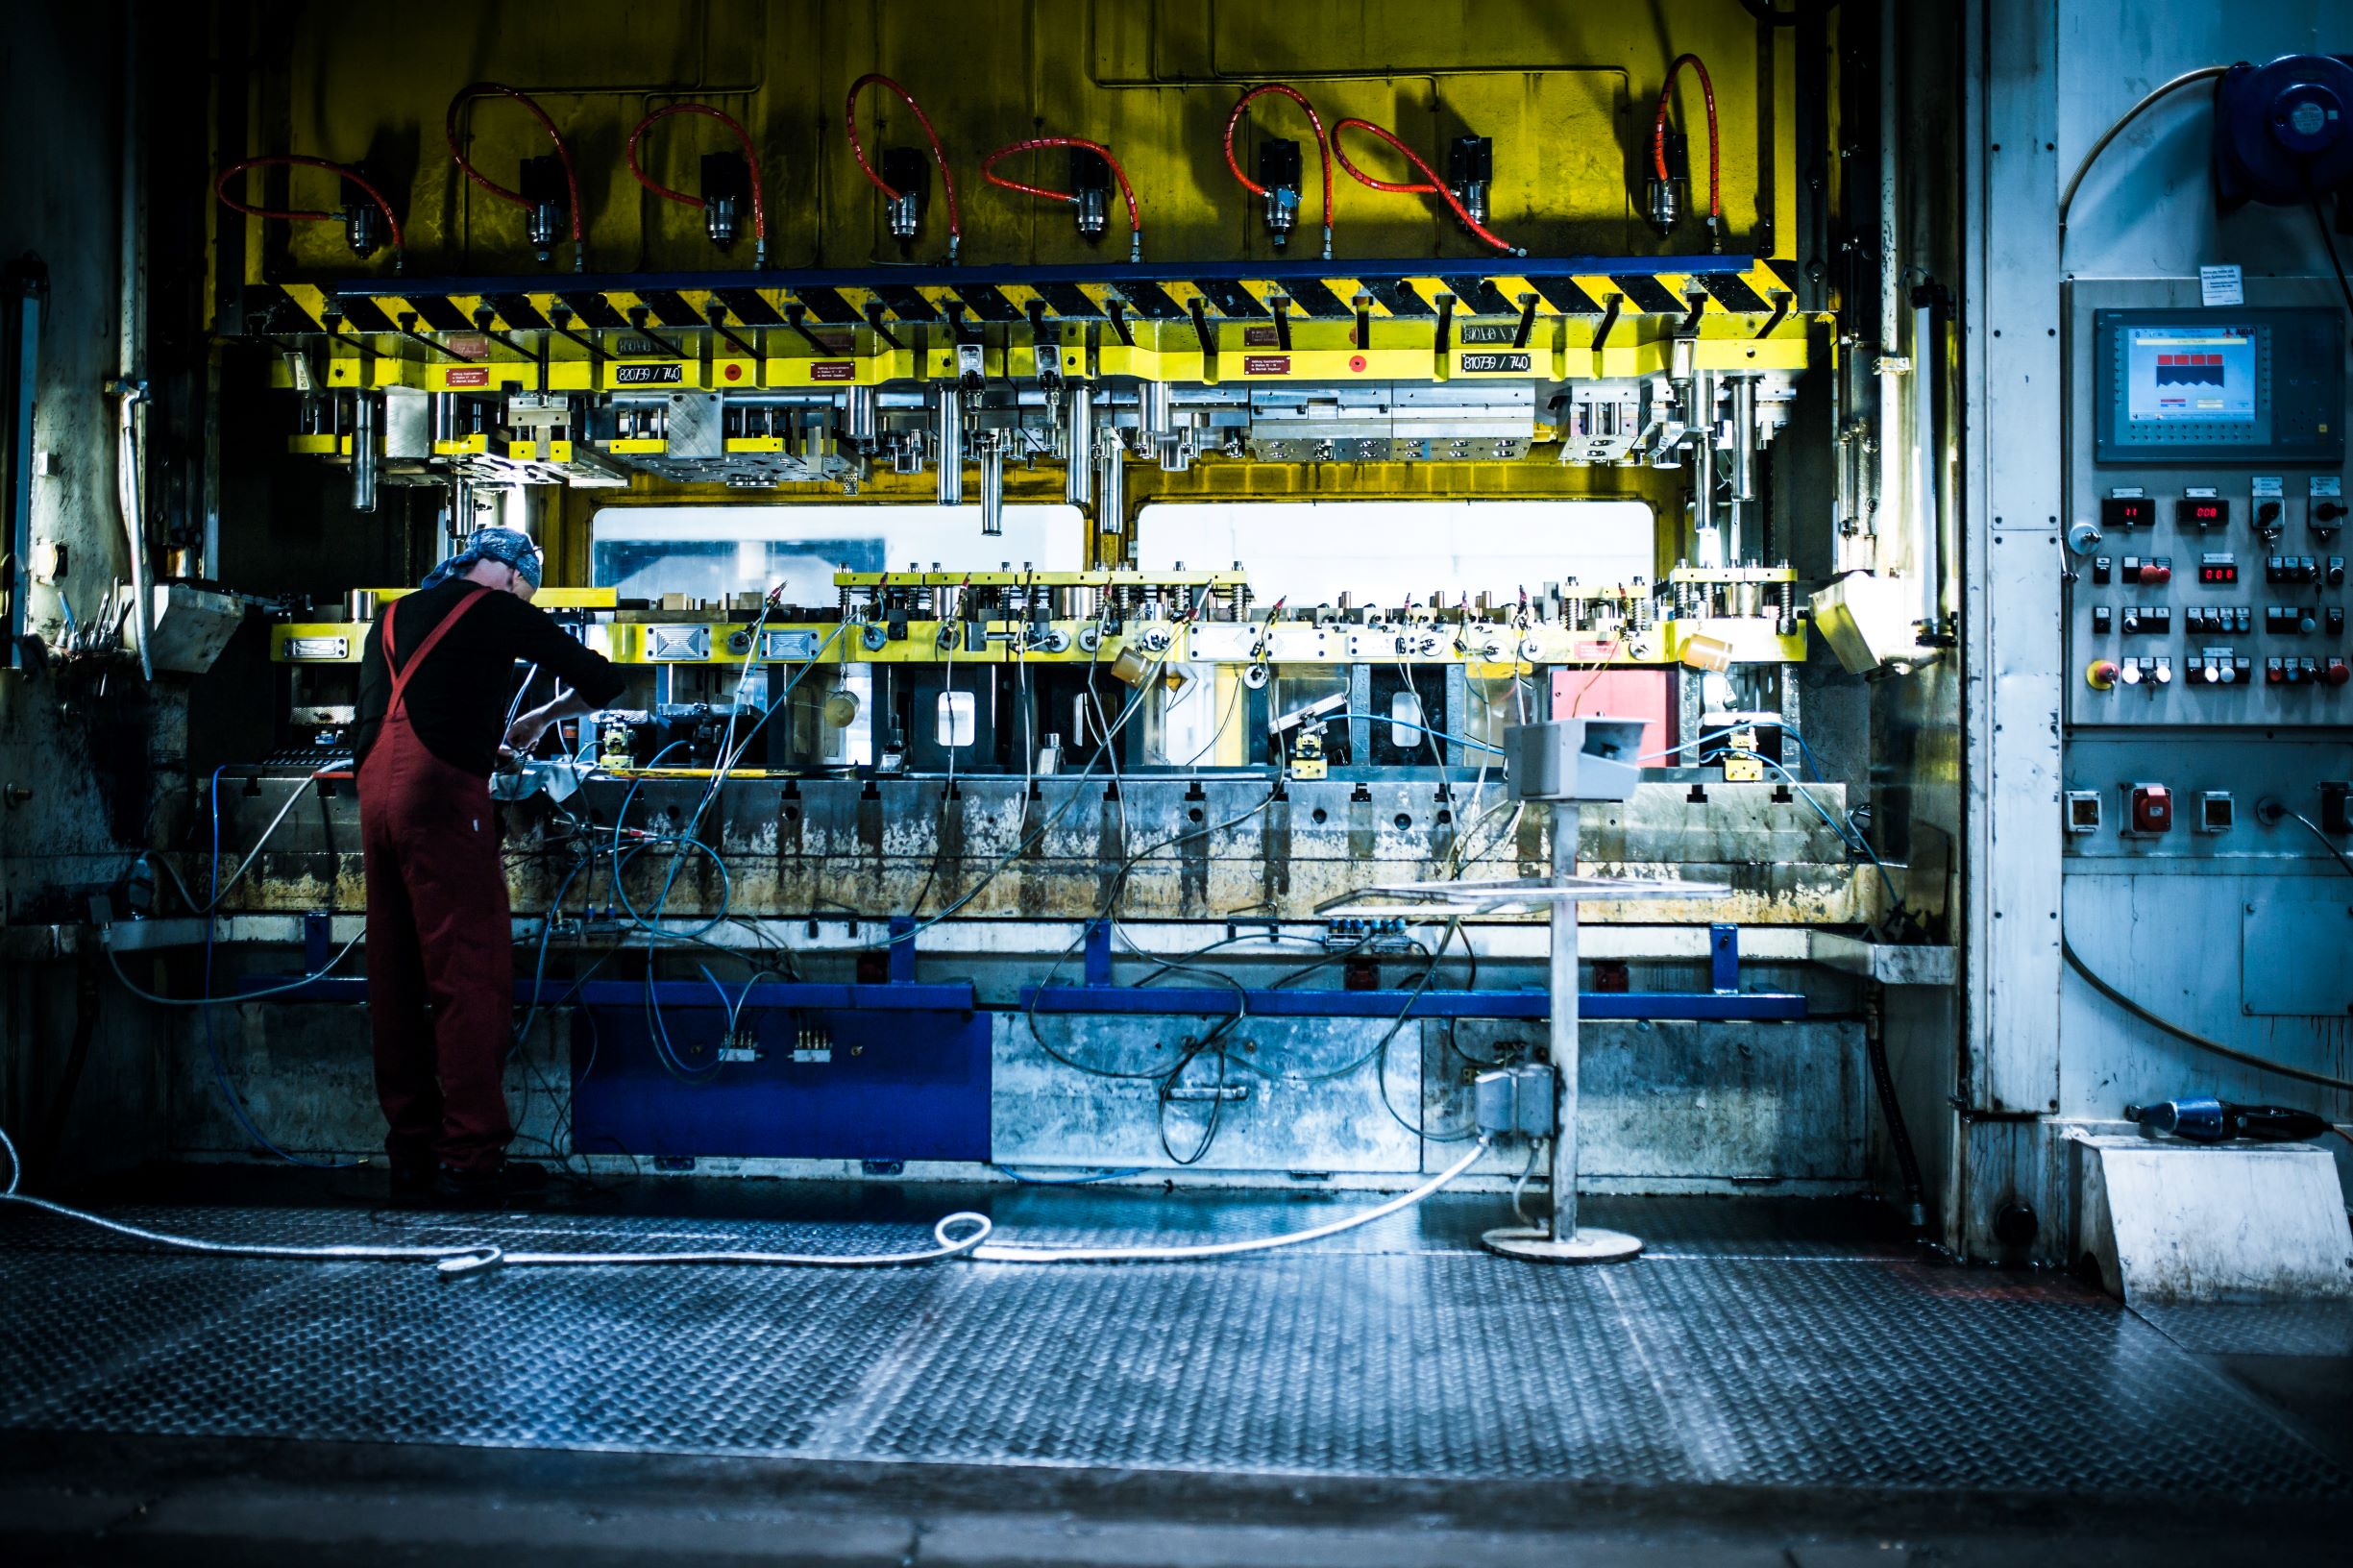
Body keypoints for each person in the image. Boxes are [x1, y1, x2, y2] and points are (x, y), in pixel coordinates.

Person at [353, 527, 626, 1204]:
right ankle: (471, 1157)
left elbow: (405, 710)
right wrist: (537, 720)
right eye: (523, 587)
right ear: (507, 575)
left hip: (374, 795)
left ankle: (409, 1151)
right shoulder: (500, 608)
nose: (520, 596)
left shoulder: (388, 616)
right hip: (441, 798)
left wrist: (478, 740)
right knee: (467, 973)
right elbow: (602, 680)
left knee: (393, 975)